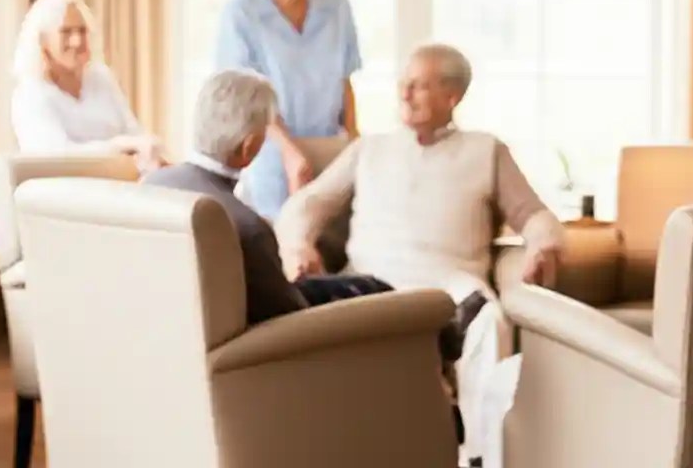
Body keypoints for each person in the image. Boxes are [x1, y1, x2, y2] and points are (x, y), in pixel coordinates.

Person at [145, 69, 483, 445]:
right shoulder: (246, 226)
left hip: (202, 335)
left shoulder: (152, 188)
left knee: (372, 286)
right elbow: (292, 315)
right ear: (250, 146)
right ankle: (446, 336)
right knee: (398, 304)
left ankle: (448, 334)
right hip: (282, 344)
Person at [275, 43, 565, 467]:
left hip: (450, 285)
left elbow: (534, 214)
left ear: (452, 96)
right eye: (403, 84)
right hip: (368, 283)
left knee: (489, 323)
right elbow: (308, 204)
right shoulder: (370, 148)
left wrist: (544, 243)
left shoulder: (486, 150)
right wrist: (297, 242)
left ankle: (478, 456)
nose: (404, 95)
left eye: (418, 86)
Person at [214, 0, 362, 220]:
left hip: (329, 153)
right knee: (280, 243)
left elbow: (344, 81)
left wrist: (354, 144)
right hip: (271, 154)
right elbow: (248, 96)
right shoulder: (243, 12)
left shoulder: (337, 8)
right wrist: (289, 151)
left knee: (329, 242)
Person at [10, 0, 164, 172]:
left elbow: (134, 133)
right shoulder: (30, 94)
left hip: (119, 183)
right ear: (43, 41)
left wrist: (148, 150)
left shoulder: (101, 78)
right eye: (66, 32)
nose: (77, 41)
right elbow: (55, 157)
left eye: (82, 31)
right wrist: (119, 146)